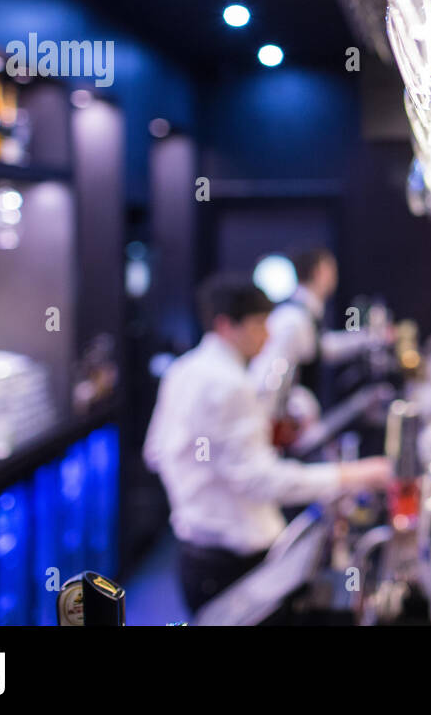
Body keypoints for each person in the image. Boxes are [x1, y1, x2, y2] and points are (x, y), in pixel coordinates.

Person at [144, 274, 391, 614]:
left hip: (192, 555)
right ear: (225, 325)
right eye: (259, 323)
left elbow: (156, 453)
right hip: (236, 560)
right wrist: (353, 474)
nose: (268, 334)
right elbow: (260, 480)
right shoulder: (231, 384)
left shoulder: (183, 370)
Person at [249, 248, 384, 432]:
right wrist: (271, 426)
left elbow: (324, 347)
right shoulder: (292, 319)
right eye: (332, 269)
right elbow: (270, 374)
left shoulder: (305, 314)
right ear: (320, 271)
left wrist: (370, 337)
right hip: (276, 428)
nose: (335, 276)